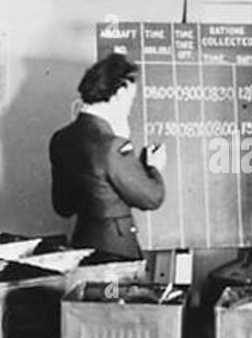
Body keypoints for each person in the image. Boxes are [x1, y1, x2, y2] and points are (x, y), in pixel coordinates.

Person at [49, 53, 166, 259]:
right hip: (115, 248)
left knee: (94, 292)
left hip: (82, 241)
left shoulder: (61, 138)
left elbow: (63, 207)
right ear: (120, 93)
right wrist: (153, 167)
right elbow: (151, 198)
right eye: (130, 98)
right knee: (116, 293)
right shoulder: (113, 146)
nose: (130, 107)